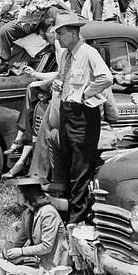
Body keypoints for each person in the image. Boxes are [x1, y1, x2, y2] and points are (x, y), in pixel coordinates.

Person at [43, 12, 111, 224]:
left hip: (83, 114)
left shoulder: (89, 53)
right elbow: (64, 77)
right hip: (67, 112)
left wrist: (85, 93)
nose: (58, 38)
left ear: (73, 33)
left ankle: (77, 218)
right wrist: (59, 85)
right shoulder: (66, 55)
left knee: (80, 167)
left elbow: (106, 78)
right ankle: (72, 211)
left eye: (61, 33)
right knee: (69, 161)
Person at [1, 177, 67, 268]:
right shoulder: (27, 213)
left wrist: (21, 251)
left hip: (51, 264)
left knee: (1, 269)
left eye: (18, 192)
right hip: (37, 259)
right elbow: (18, 241)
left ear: (26, 194)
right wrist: (0, 257)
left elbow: (47, 246)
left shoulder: (48, 213)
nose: (16, 196)